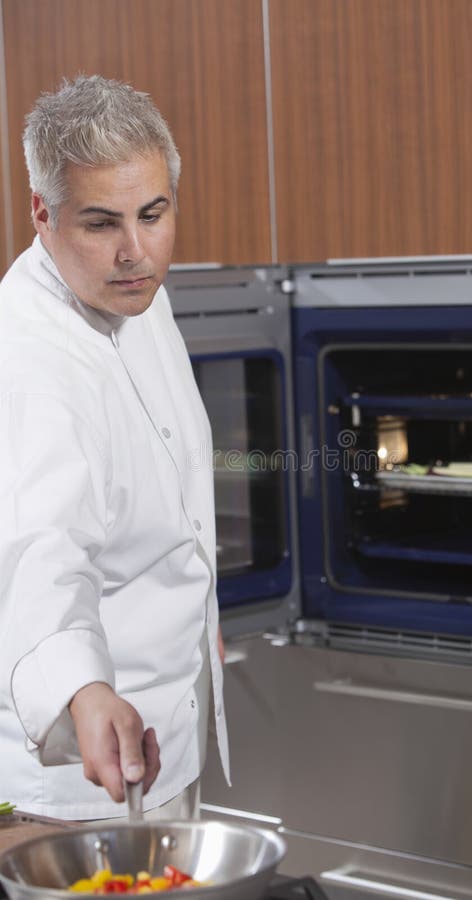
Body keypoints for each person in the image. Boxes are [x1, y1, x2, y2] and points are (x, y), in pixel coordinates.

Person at [0, 75, 229, 820]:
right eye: (101, 223)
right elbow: (40, 547)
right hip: (78, 781)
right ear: (42, 213)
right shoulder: (30, 359)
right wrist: (83, 688)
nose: (136, 251)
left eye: (153, 214)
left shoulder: (134, 289)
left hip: (168, 732)